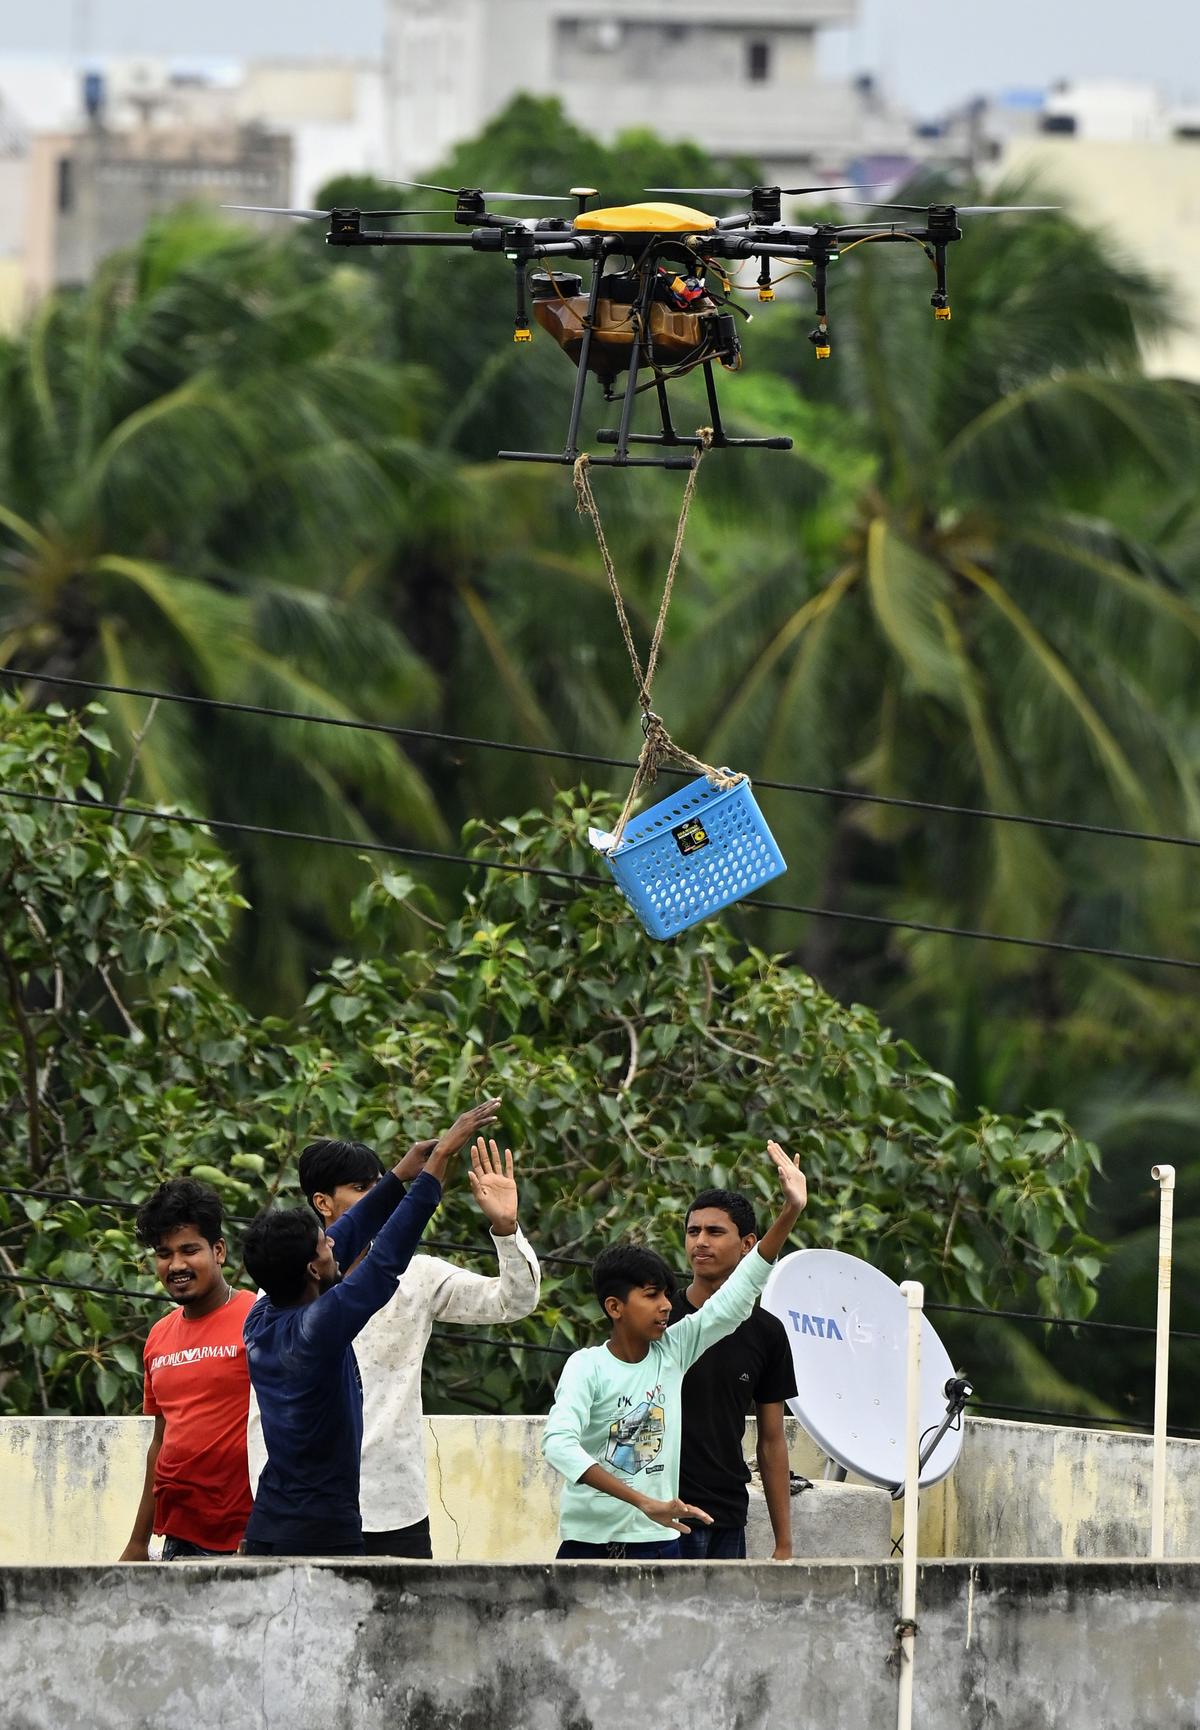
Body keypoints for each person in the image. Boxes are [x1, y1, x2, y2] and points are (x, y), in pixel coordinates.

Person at [245, 1129, 539, 1557]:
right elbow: (383, 1263)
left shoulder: (264, 1312)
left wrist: (506, 1228)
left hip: (391, 1507)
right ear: (321, 1204)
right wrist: (433, 1173)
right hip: (323, 1523)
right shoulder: (321, 1321)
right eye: (360, 1187)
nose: (333, 1242)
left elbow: (513, 1301)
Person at [541, 1140, 807, 1560]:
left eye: (667, 1294)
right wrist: (640, 1499)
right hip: (594, 1543)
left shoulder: (676, 1348)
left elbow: (734, 1300)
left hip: (661, 1540)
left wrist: (789, 1212)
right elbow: (557, 1443)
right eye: (651, 1295)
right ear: (615, 1307)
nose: (666, 1305)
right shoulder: (587, 1366)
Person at [121, 1177, 256, 1561]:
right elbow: (160, 1443)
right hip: (177, 1540)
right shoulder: (158, 1336)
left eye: (189, 1250)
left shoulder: (260, 1319)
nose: (176, 1265)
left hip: (248, 1541)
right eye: (164, 1253)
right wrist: (137, 1541)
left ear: (218, 1251)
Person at [670, 1188, 798, 1560]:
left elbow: (772, 1442)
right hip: (663, 1516)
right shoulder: (658, 1320)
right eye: (693, 1232)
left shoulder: (767, 1333)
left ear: (748, 1244)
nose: (701, 1242)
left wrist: (784, 1544)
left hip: (727, 1516)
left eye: (715, 1232)